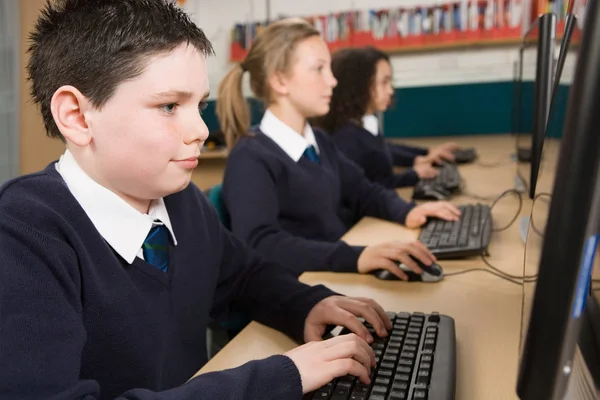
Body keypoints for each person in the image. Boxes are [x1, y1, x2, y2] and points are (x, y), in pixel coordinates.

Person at [0, 2, 395, 399]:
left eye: (200, 105)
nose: (202, 130)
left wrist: (304, 305)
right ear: (78, 117)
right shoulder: (24, 234)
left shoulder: (181, 201)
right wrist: (277, 378)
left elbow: (243, 276)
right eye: (169, 106)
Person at [217, 18, 461, 279]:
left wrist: (409, 212)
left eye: (330, 69)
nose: (333, 81)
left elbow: (364, 191)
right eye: (319, 69)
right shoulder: (251, 158)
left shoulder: (318, 140)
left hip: (333, 275)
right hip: (299, 289)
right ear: (280, 81)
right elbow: (261, 244)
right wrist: (357, 256)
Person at [314, 46, 460, 189]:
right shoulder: (346, 138)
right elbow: (367, 189)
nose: (390, 90)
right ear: (359, 86)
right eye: (384, 82)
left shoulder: (363, 123)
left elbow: (384, 148)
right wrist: (413, 175)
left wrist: (424, 153)